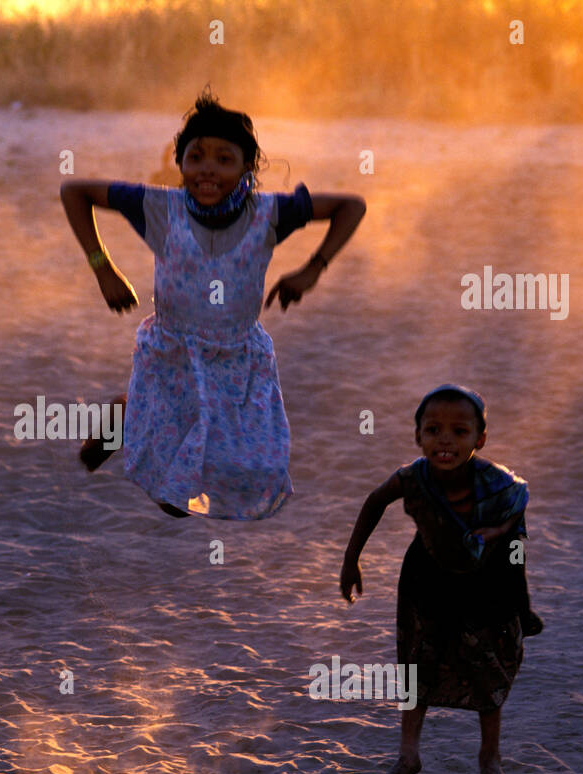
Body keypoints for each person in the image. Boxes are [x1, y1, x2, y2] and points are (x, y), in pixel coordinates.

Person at [61, 88, 365, 519]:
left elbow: (352, 206)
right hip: (170, 351)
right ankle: (129, 412)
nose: (208, 170)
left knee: (250, 465)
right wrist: (102, 268)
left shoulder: (270, 213)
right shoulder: (158, 207)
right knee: (173, 504)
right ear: (179, 162)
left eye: (225, 159)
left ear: (247, 168)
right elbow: (74, 192)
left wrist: (313, 268)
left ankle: (130, 407)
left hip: (236, 356)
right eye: (196, 157)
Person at [339, 384, 542, 774]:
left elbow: (517, 521)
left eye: (459, 431)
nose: (444, 440)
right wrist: (351, 559)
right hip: (425, 582)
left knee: (488, 670)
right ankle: (407, 756)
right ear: (418, 437)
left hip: (485, 583)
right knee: (417, 669)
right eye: (432, 430)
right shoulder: (414, 478)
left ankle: (489, 761)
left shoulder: (500, 486)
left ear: (479, 439)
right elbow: (374, 501)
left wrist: (503, 547)